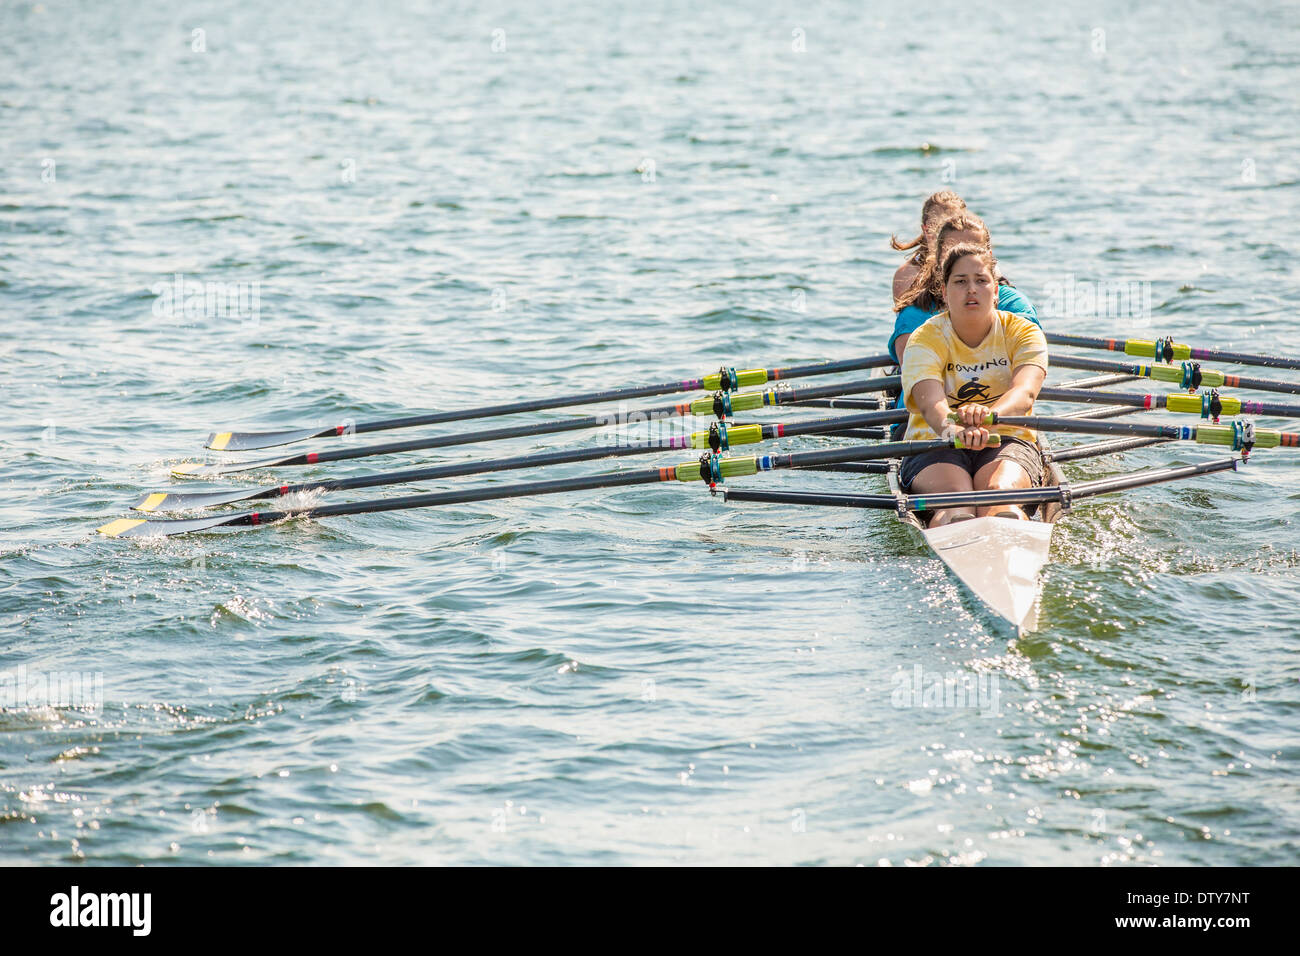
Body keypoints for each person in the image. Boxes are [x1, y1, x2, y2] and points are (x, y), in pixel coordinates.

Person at [899, 243, 1048, 527]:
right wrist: (953, 428)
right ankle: (956, 529)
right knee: (958, 500)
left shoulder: (1023, 332)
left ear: (995, 292)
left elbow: (1025, 393)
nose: (971, 289)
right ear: (944, 292)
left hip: (1006, 437)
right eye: (960, 282)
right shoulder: (924, 338)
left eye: (981, 281)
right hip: (936, 439)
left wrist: (986, 418)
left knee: (998, 495)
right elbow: (931, 404)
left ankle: (1009, 538)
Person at [889, 211, 1038, 366]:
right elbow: (916, 375)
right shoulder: (914, 315)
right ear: (939, 258)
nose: (964, 260)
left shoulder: (1015, 306)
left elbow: (1029, 361)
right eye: (954, 253)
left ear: (989, 256)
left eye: (972, 250)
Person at [889, 190, 967, 303]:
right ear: (926, 230)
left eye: (955, 229)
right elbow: (907, 319)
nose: (949, 237)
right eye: (940, 230)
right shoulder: (907, 275)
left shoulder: (980, 268)